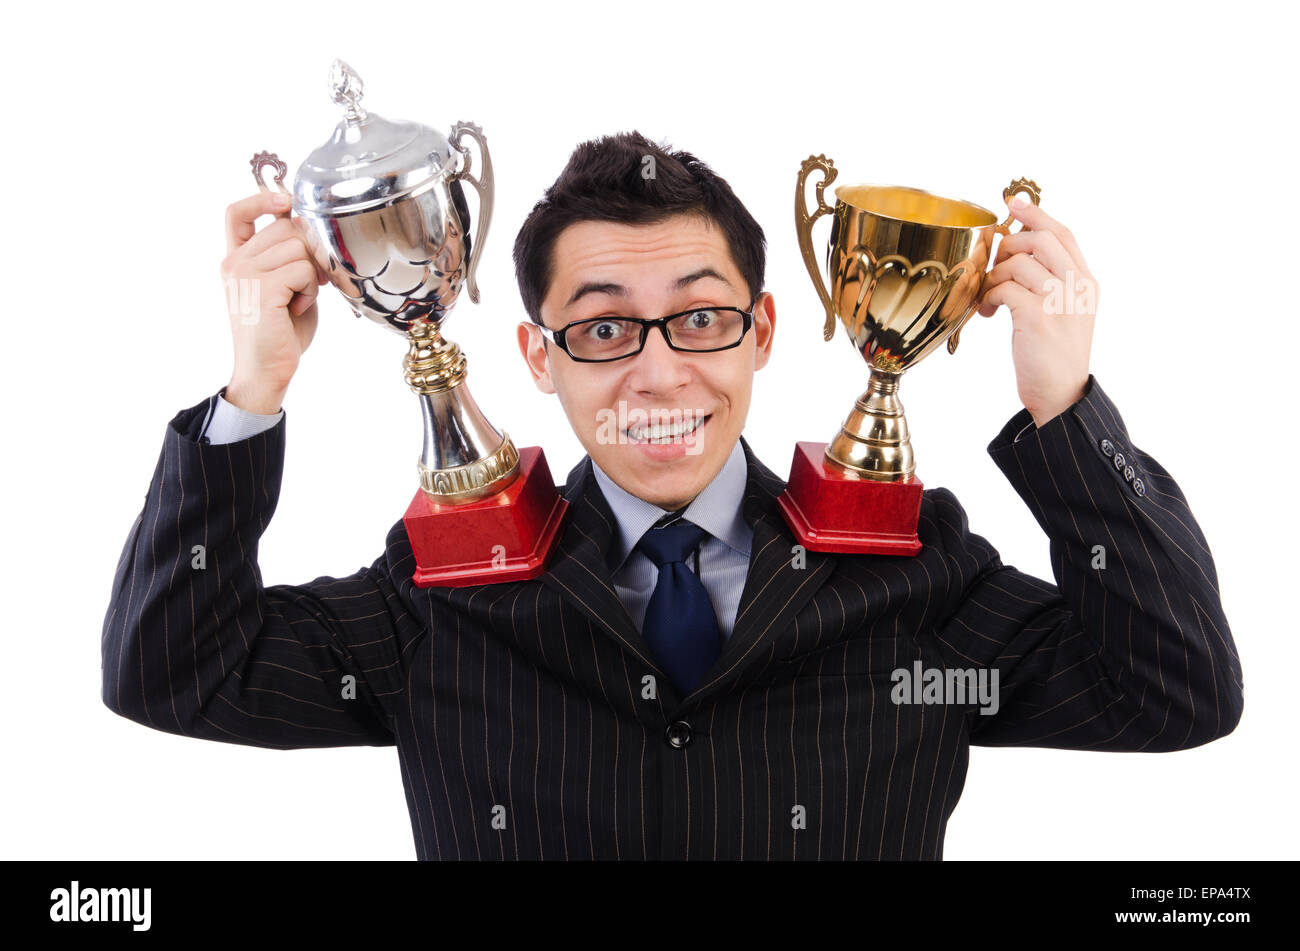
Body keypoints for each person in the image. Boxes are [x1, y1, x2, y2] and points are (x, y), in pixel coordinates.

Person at [101, 131, 1243, 860]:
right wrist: (253, 393)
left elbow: (1172, 690)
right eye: (602, 327)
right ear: (539, 358)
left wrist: (1065, 408)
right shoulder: (438, 601)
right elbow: (174, 670)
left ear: (764, 335)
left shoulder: (916, 587)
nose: (658, 370)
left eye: (700, 317)